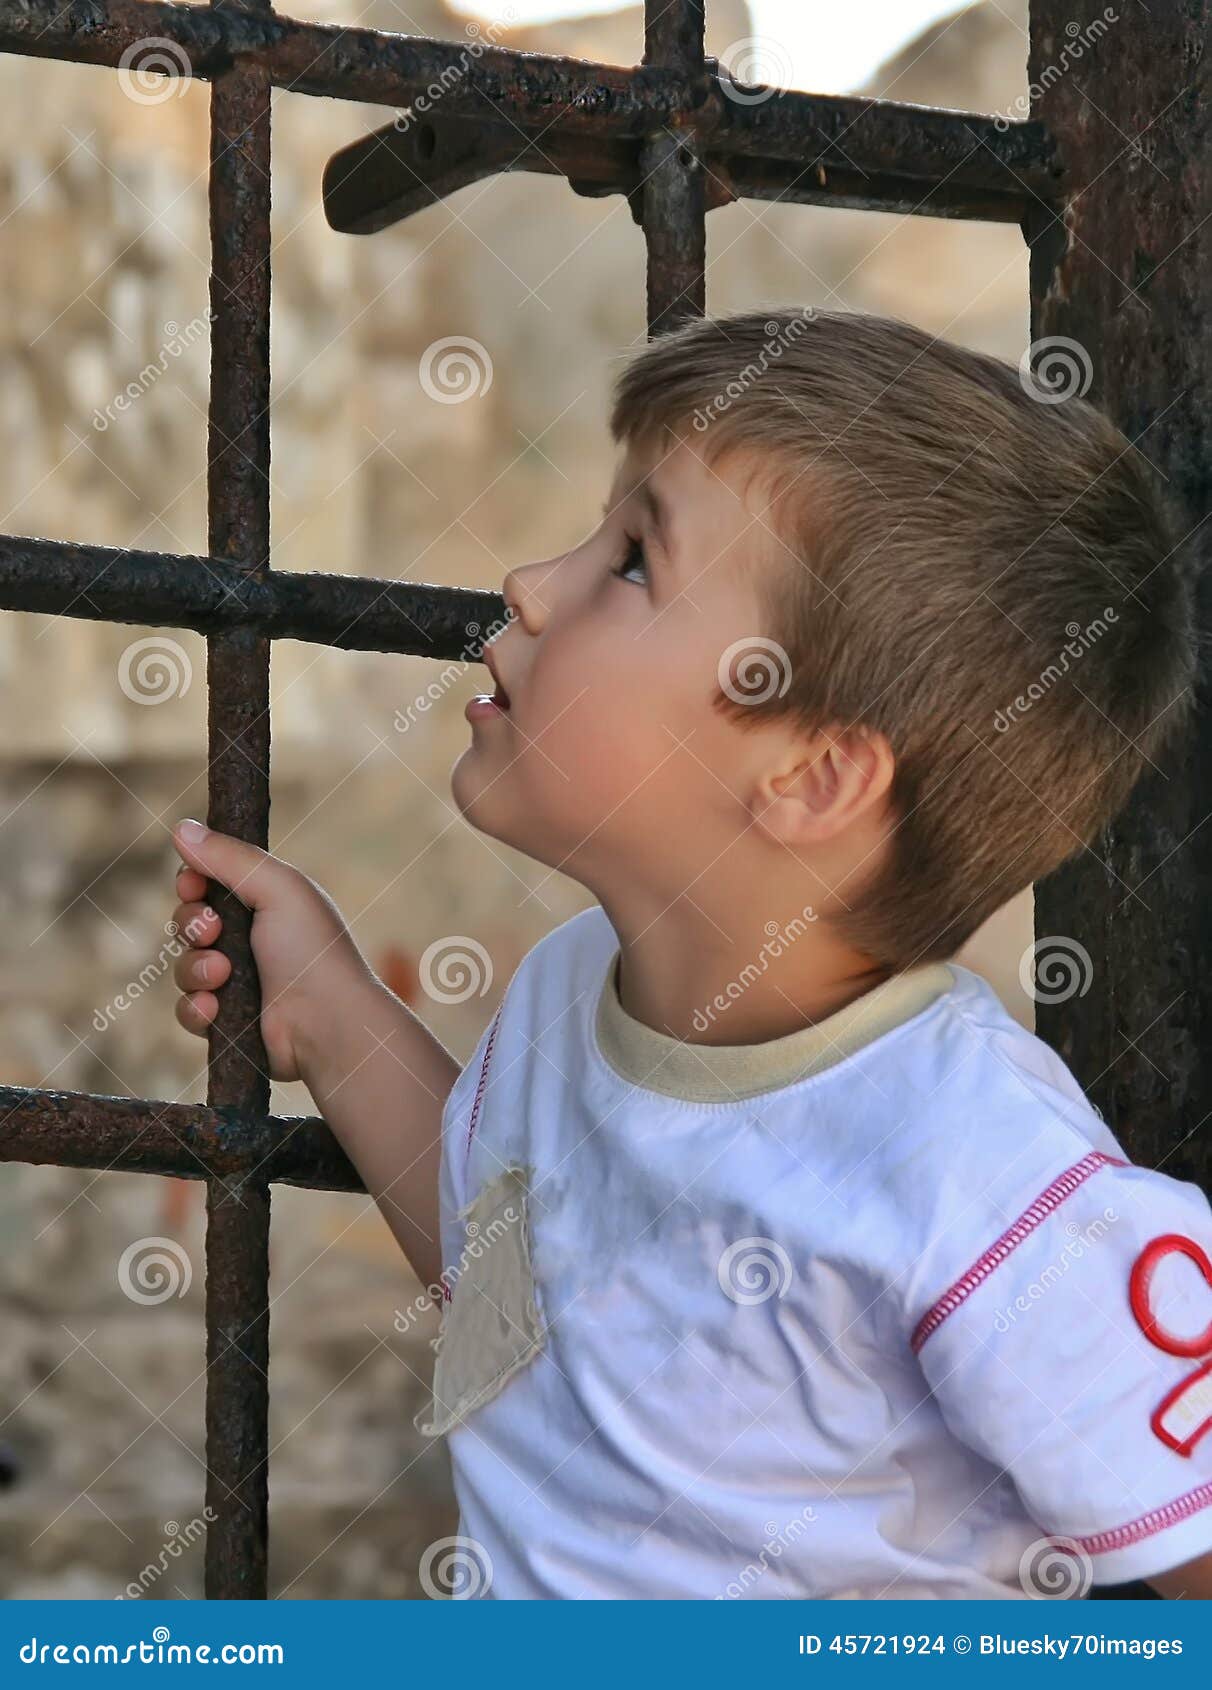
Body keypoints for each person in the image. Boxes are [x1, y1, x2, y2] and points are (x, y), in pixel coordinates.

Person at [170, 307, 1212, 1600]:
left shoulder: (976, 1161)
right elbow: (516, 1318)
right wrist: (328, 1014)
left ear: (814, 773)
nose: (533, 584)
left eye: (630, 561)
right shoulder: (565, 995)